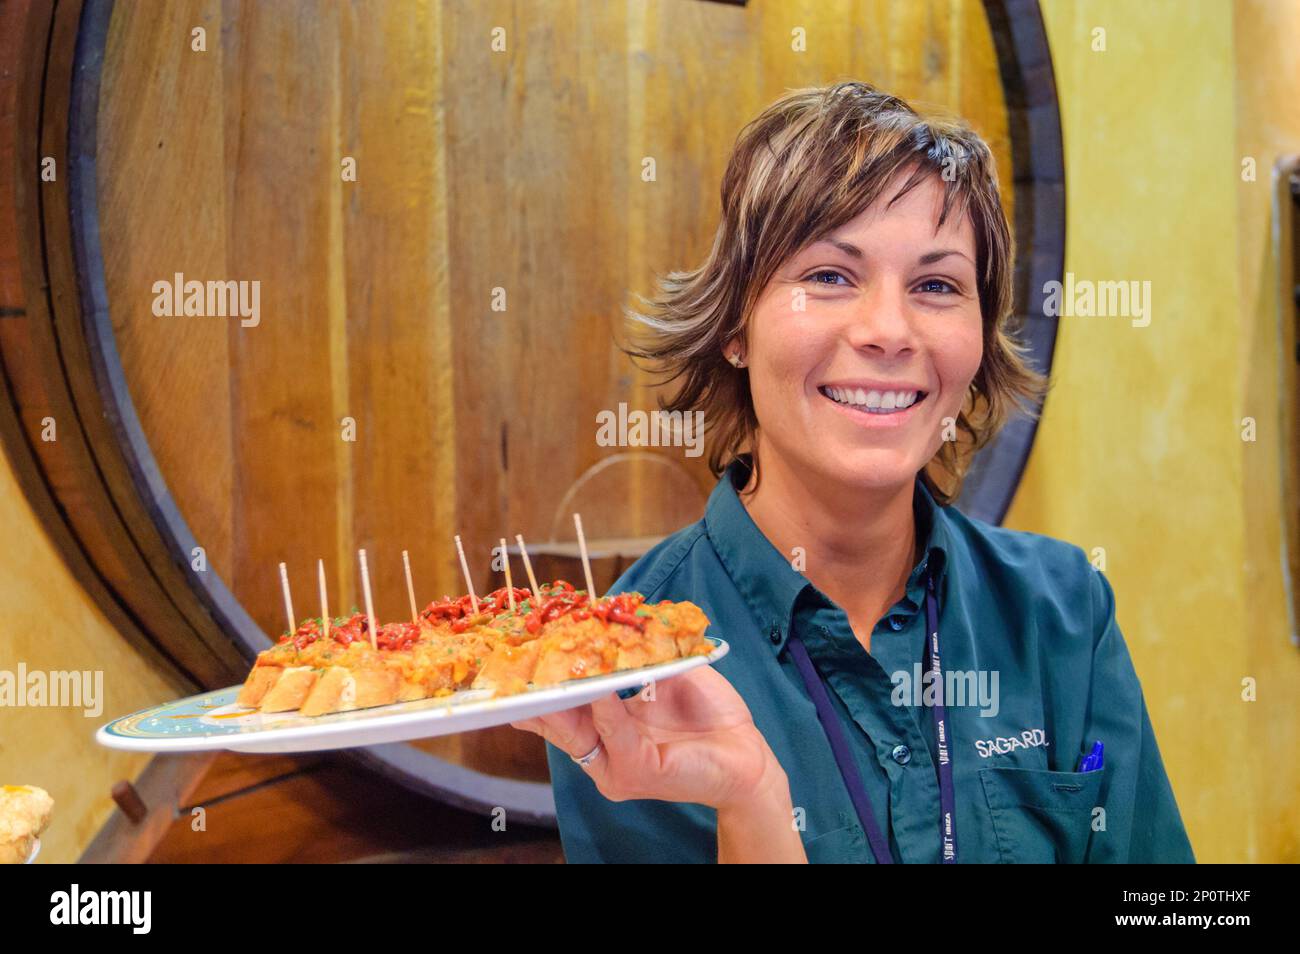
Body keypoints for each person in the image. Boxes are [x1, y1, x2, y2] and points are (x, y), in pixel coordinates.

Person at [511, 81, 1195, 864]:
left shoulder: (1063, 612)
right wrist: (755, 807)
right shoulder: (631, 659)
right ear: (736, 325)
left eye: (937, 286)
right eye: (830, 276)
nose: (887, 331)